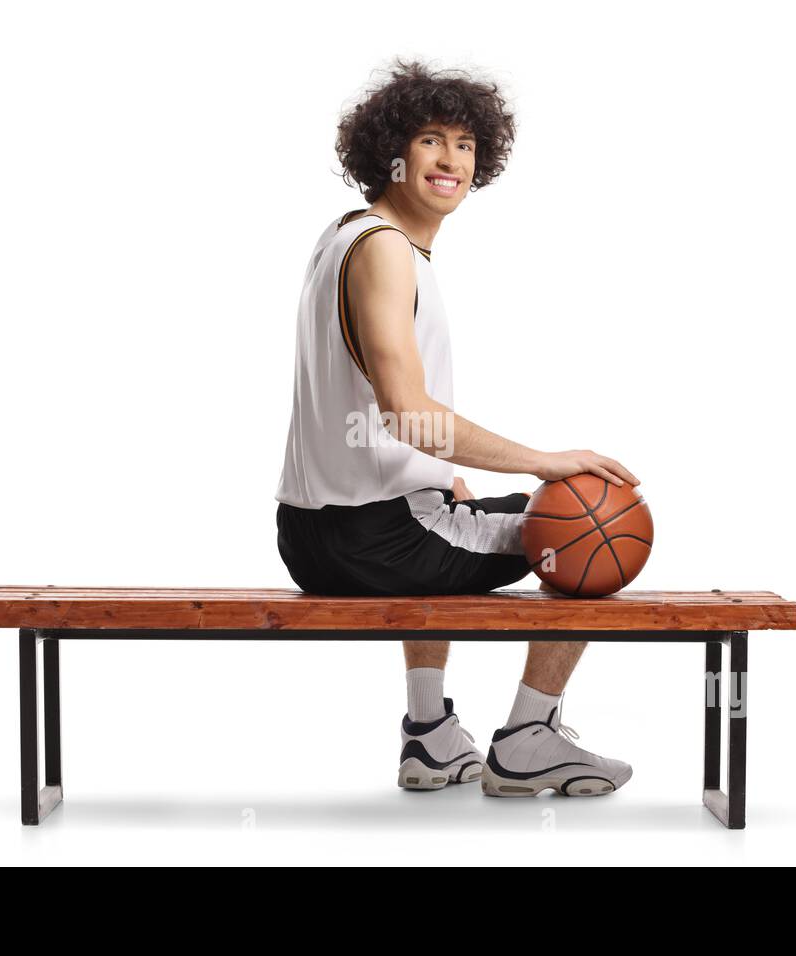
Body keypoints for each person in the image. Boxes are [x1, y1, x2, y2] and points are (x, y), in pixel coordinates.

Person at [274, 59, 640, 798]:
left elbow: (371, 413)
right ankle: (529, 739)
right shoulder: (384, 249)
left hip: (309, 533)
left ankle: (431, 737)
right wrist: (545, 465)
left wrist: (445, 476)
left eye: (466, 144)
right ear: (393, 156)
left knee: (456, 504)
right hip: (375, 539)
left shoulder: (341, 239)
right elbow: (406, 412)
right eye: (432, 141)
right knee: (595, 526)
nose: (451, 160)